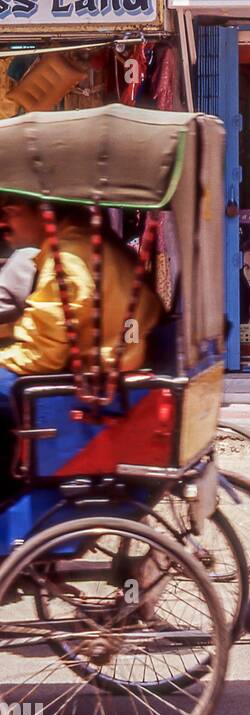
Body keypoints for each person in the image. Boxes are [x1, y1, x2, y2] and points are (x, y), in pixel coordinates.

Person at [0, 199, 162, 500]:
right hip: (119, 358)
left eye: (10, 210)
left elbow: (43, 356)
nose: (3, 222)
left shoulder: (68, 259)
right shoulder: (79, 243)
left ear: (43, 210)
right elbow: (48, 324)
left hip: (100, 381)